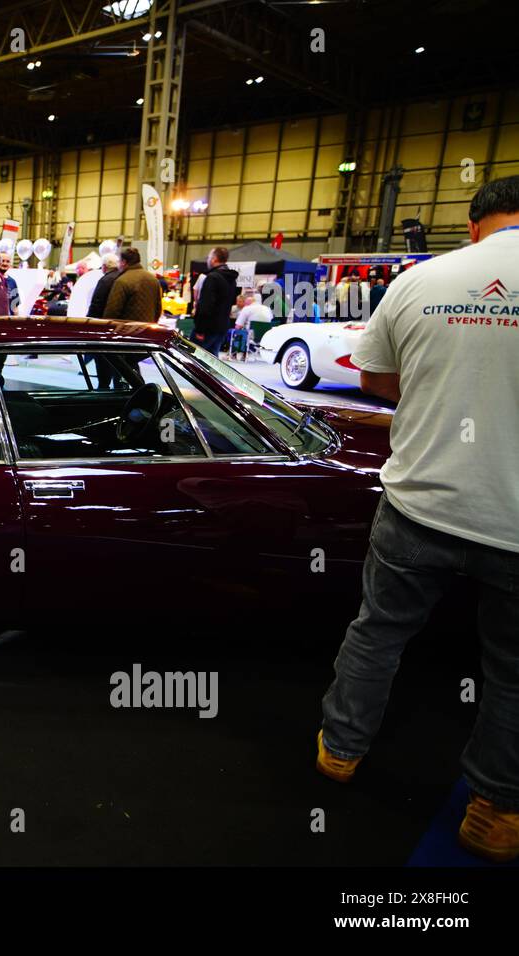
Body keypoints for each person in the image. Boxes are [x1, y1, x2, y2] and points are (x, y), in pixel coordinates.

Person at [316, 174, 519, 863]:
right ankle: (492, 811)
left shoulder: (422, 279)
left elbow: (372, 377)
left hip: (419, 504)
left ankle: (340, 752)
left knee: (377, 635)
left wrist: (441, 387)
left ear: (474, 224)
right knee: (513, 672)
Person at [191, 246, 237, 355]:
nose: (208, 260)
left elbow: (205, 305)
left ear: (214, 259)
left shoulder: (212, 278)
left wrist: (200, 329)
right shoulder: (231, 279)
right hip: (222, 327)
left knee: (193, 359)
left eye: (209, 257)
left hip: (208, 329)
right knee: (212, 361)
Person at [101, 248, 162, 323]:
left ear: (123, 262)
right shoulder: (154, 280)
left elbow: (112, 311)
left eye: (119, 261)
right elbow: (158, 309)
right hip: (148, 330)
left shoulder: (122, 281)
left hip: (127, 331)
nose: (118, 265)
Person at [232, 292, 273, 360]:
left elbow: (238, 326)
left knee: (237, 332)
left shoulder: (247, 308)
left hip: (251, 336)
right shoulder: (267, 309)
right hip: (265, 336)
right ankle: (243, 354)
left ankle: (233, 354)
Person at [87, 253, 121, 318]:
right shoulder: (122, 276)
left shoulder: (104, 281)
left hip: (105, 317)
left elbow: (97, 302)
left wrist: (90, 317)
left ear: (104, 267)